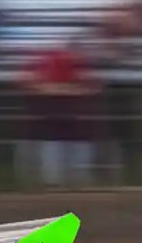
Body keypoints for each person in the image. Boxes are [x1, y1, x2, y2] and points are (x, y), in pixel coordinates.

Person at [20, 39, 100, 188]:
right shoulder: (55, 60)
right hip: (54, 118)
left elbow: (92, 87)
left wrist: (70, 89)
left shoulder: (81, 65)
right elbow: (37, 85)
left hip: (75, 120)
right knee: (55, 151)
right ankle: (55, 185)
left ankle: (74, 184)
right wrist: (71, 89)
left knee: (75, 153)